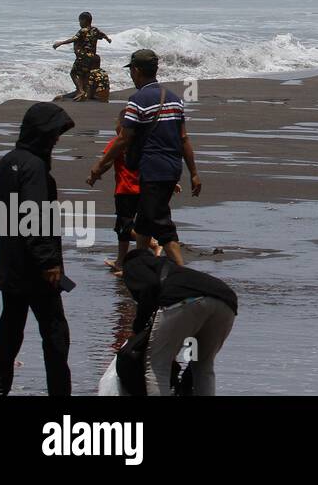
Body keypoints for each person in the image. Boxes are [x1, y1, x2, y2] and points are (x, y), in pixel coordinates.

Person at [0, 102, 75, 396]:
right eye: (54, 134)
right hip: (37, 270)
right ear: (41, 133)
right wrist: (48, 262)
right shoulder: (35, 167)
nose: (55, 140)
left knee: (10, 332)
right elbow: (35, 215)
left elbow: (0, 213)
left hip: (10, 264)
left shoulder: (7, 162)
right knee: (55, 334)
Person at [91, 49, 201, 266]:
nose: (131, 75)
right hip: (172, 168)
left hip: (152, 170)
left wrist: (99, 167)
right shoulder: (175, 99)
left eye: (131, 70)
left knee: (161, 224)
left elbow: (123, 139)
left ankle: (183, 272)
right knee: (143, 222)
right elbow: (184, 139)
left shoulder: (137, 100)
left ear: (137, 70)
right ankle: (137, 268)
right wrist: (194, 173)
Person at [122, 248, 238, 395]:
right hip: (226, 301)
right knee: (203, 366)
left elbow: (149, 287)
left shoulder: (133, 264)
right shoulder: (171, 268)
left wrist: (138, 327)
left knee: (158, 366)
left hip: (184, 301)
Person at [87, 116, 143, 275]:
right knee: (125, 227)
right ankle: (120, 261)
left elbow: (106, 162)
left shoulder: (118, 142)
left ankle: (151, 242)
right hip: (143, 190)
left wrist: (93, 176)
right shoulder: (141, 143)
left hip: (125, 190)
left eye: (117, 123)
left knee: (124, 226)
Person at [52, 11, 111, 101]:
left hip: (83, 57)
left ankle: (80, 91)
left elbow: (74, 39)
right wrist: (108, 39)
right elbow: (102, 35)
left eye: (80, 21)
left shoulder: (83, 30)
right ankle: (87, 92)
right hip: (93, 58)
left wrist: (60, 43)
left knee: (74, 73)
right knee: (86, 75)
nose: (79, 23)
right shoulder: (95, 30)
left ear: (85, 21)